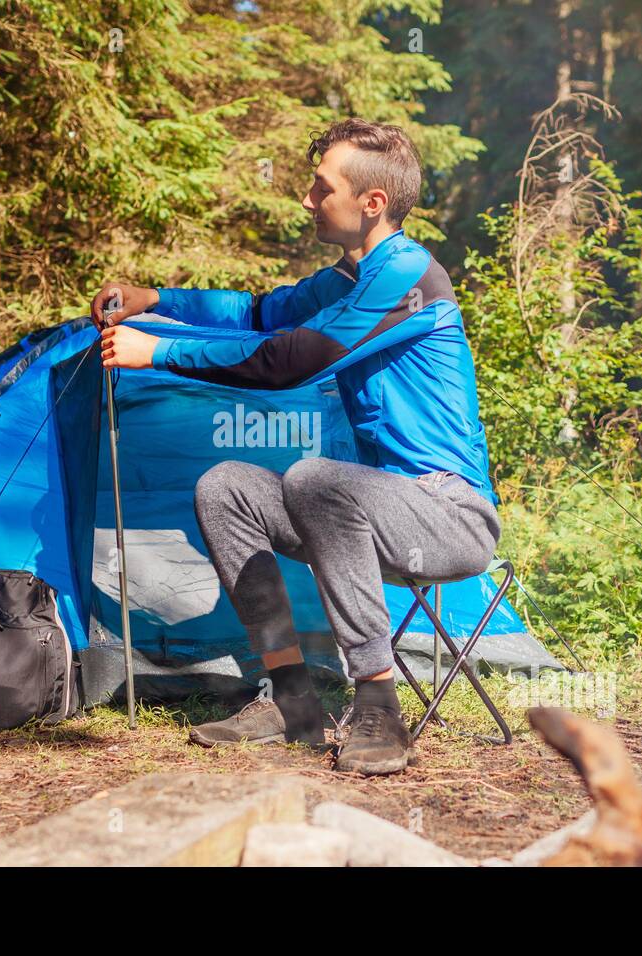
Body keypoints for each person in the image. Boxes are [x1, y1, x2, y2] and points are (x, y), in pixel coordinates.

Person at [90, 118, 501, 776]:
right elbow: (260, 315)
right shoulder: (347, 281)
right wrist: (156, 298)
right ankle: (293, 700)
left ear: (372, 203)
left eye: (321, 186)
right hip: (367, 515)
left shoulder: (408, 275)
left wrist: (159, 351)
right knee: (225, 486)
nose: (307, 200)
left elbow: (290, 361)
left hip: (449, 515)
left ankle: (377, 709)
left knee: (313, 479)